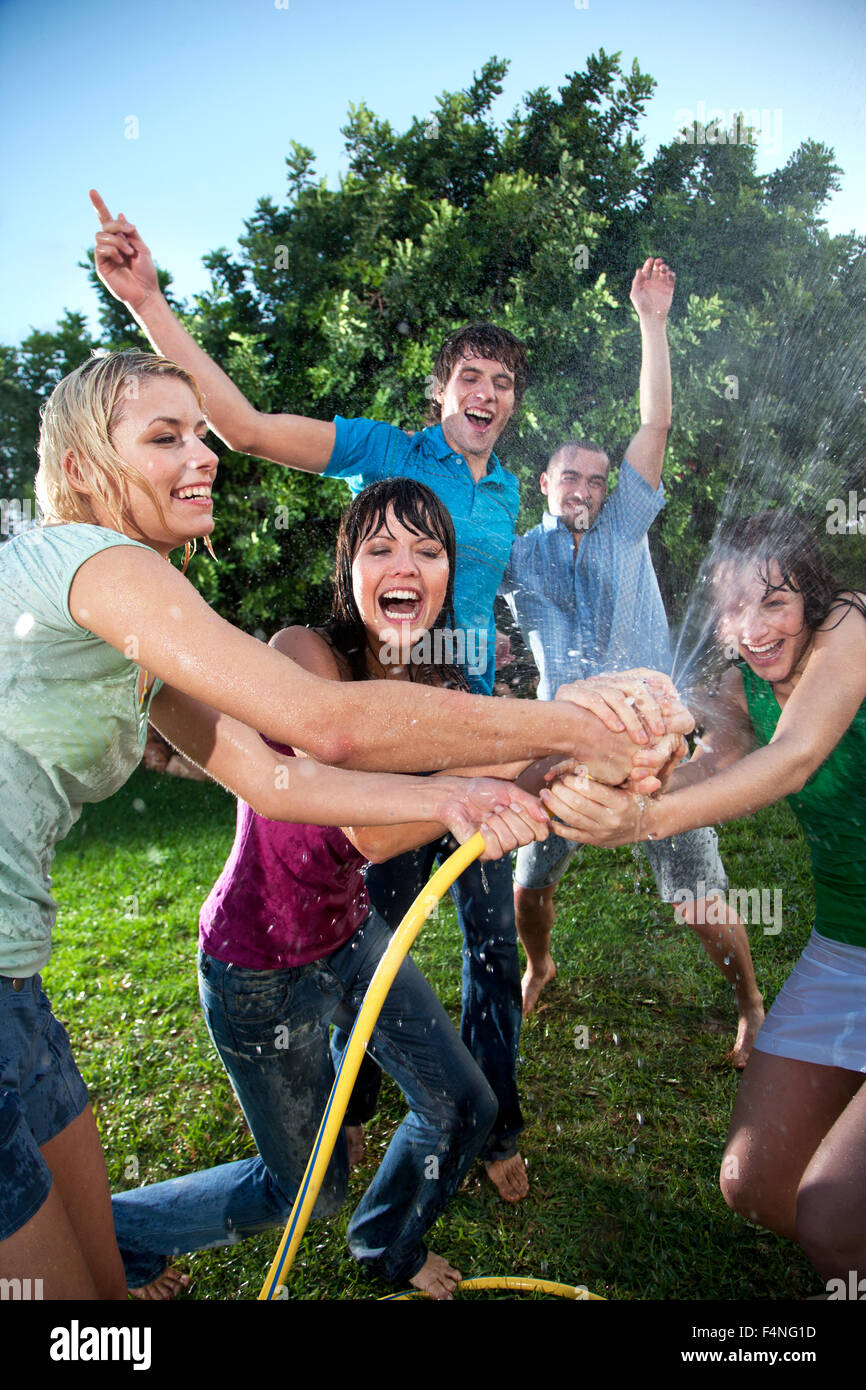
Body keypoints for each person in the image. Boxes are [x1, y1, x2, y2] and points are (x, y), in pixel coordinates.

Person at [0, 348, 682, 1300]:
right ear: (79, 468)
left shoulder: (131, 627)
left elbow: (277, 780)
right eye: (166, 437)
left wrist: (456, 798)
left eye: (201, 433)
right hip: (245, 962)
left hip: (17, 975)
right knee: (92, 1287)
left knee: (95, 1283)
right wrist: (580, 724)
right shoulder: (103, 563)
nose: (205, 455)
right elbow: (328, 729)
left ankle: (133, 1259)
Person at [87, 190, 622, 1201]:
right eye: (469, 375)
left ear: (511, 406)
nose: (487, 391)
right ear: (438, 393)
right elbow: (240, 428)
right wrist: (150, 305)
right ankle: (351, 1111)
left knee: (488, 945)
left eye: (502, 382)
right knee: (359, 947)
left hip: (459, 725)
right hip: (377, 732)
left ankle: (488, 1121)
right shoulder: (392, 453)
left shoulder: (510, 493)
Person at [116, 477, 605, 1299]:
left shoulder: (444, 693)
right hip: (256, 968)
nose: (403, 564)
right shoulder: (301, 654)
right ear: (348, 569)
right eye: (378, 547)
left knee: (463, 1107)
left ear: (451, 574)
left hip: (347, 939)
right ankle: (121, 1233)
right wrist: (497, 774)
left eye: (426, 548)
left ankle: (385, 1247)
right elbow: (365, 817)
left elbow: (505, 757)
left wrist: (588, 759)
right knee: (303, 1187)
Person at [542, 511, 866, 1287]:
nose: (752, 629)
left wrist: (643, 820)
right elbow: (724, 758)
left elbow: (795, 758)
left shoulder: (850, 625)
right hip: (846, 943)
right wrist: (620, 787)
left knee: (827, 1212)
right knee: (754, 1186)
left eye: (773, 602)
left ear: (812, 595)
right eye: (732, 607)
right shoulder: (743, 676)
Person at [500, 258, 763, 1065]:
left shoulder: (623, 528)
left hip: (655, 741)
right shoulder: (515, 557)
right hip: (561, 750)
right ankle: (539, 965)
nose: (582, 484)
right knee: (530, 881)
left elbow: (655, 426)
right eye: (568, 474)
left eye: (595, 477)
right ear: (543, 482)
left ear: (610, 491)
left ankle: (751, 1003)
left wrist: (653, 322)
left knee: (695, 893)